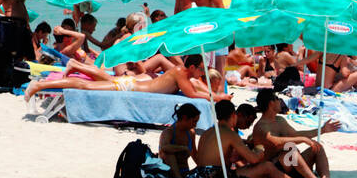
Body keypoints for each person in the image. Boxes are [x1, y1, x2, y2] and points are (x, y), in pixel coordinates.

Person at [192, 99, 328, 178]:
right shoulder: (230, 133)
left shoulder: (207, 132)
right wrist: (259, 150)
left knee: (263, 177)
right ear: (234, 115)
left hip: (199, 177)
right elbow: (254, 159)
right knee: (266, 167)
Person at [24, 54, 227, 100]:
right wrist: (216, 97)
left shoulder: (184, 73)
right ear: (192, 67)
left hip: (132, 84)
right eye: (201, 69)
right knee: (84, 86)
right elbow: (192, 94)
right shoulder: (182, 73)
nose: (202, 72)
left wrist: (218, 95)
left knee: (88, 84)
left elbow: (198, 88)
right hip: (130, 86)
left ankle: (41, 85)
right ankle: (40, 85)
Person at [252, 89, 339, 178]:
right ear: (271, 103)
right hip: (275, 171)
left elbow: (295, 134)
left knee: (318, 148)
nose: (280, 101)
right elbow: (276, 142)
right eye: (277, 98)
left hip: (292, 166)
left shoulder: (279, 120)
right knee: (291, 151)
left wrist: (322, 130)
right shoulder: (261, 126)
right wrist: (303, 139)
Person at [158, 102, 200, 178]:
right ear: (184, 118)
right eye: (194, 121)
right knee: (169, 151)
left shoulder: (191, 133)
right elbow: (164, 148)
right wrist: (183, 148)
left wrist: (203, 167)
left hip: (185, 171)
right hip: (168, 173)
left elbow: (194, 154)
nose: (195, 125)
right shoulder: (168, 132)